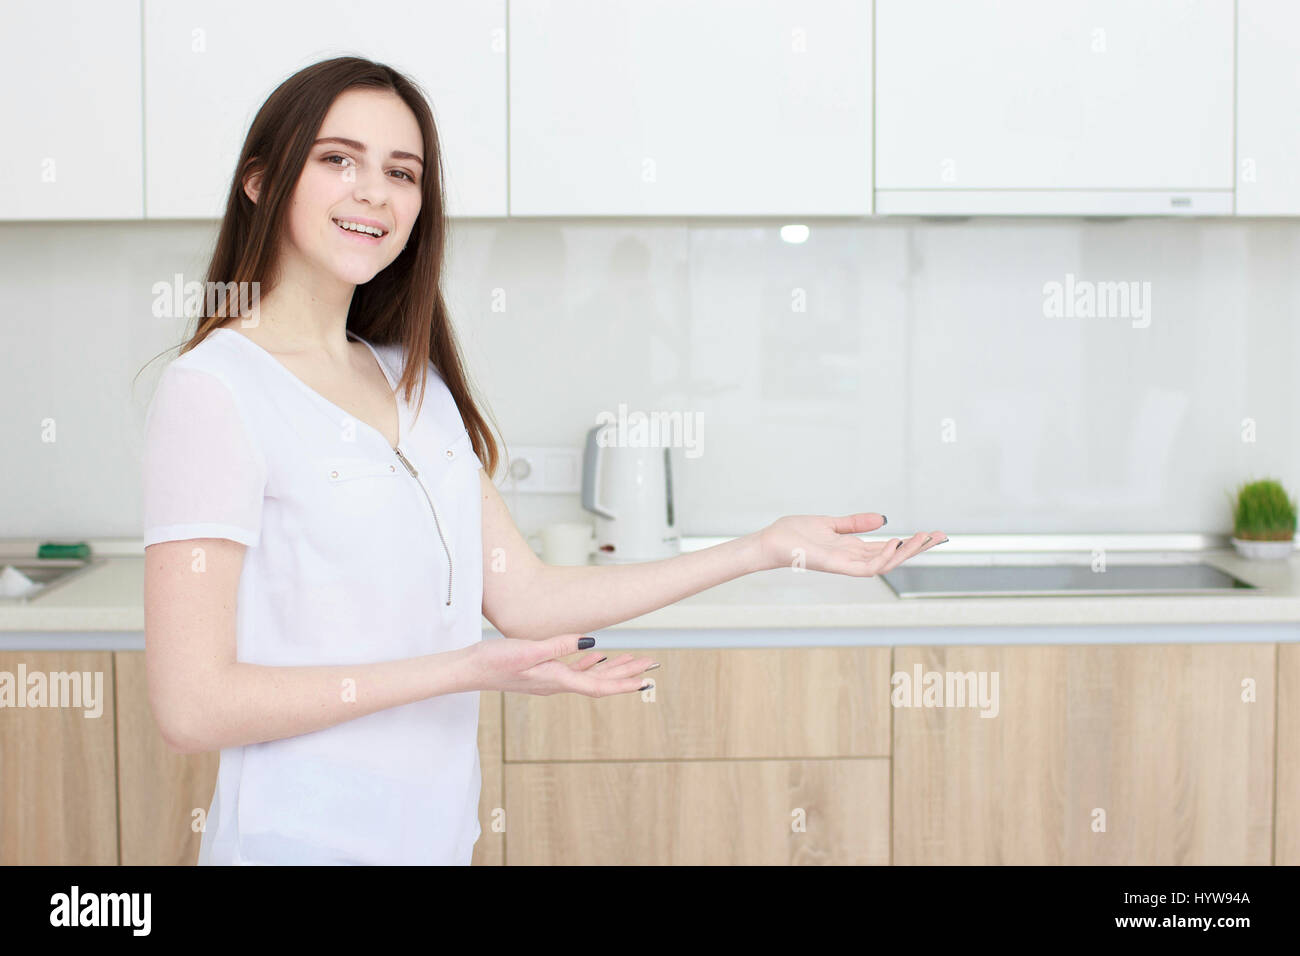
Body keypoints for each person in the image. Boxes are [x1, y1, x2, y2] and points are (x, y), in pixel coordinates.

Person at [140, 56, 947, 866]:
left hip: (435, 844)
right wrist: (463, 669)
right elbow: (192, 706)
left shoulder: (411, 382)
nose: (374, 193)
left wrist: (766, 548)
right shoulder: (216, 390)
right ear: (259, 180)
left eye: (402, 171)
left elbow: (525, 596)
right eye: (337, 159)